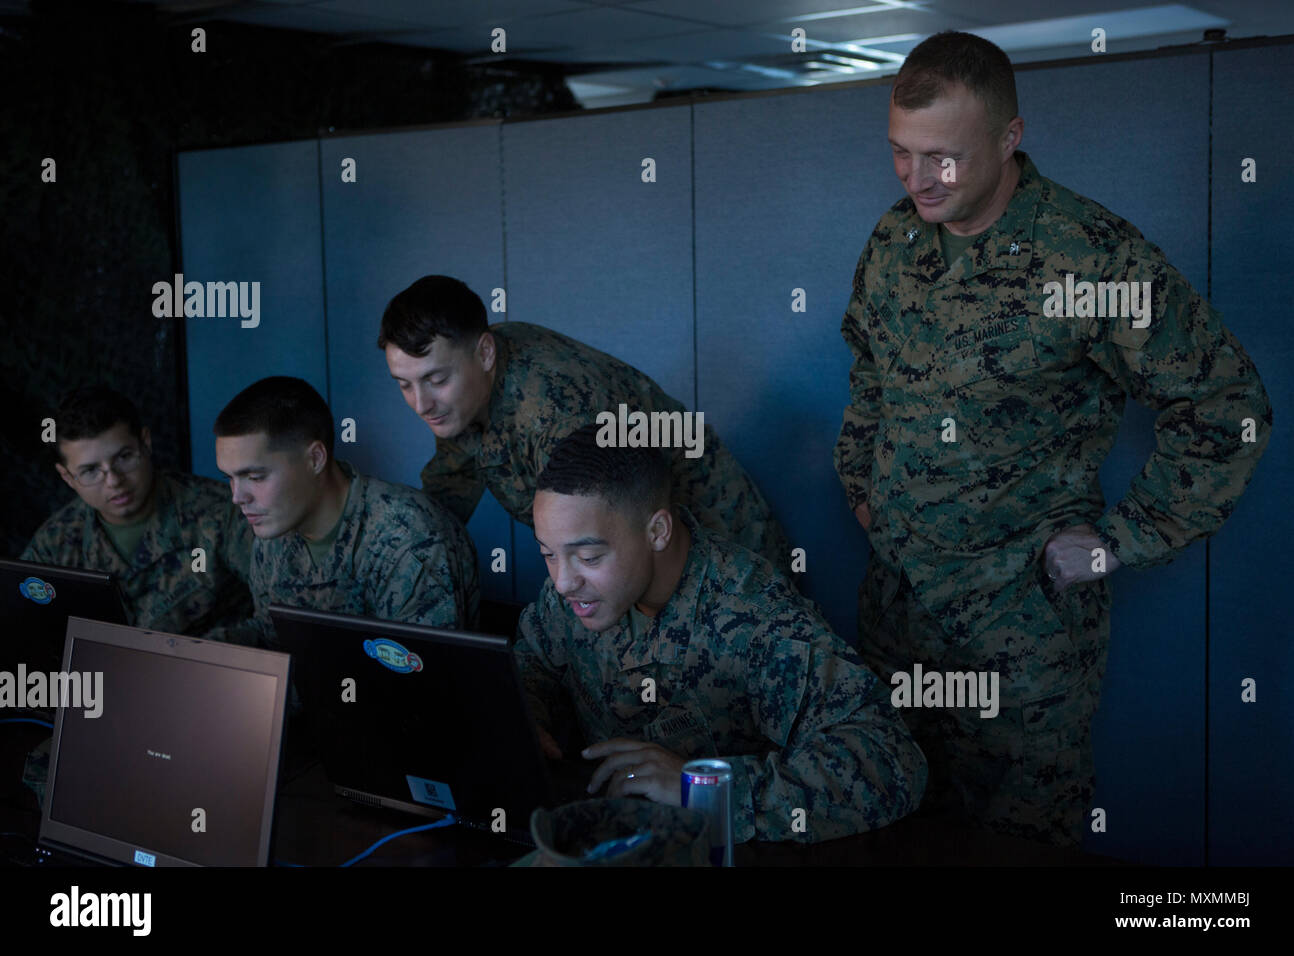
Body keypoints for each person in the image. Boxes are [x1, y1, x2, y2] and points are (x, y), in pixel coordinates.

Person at [833, 31, 1272, 846]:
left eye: (943, 157)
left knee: (1016, 845)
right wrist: (862, 489)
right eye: (900, 152)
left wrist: (1118, 542)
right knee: (893, 828)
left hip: (1020, 636)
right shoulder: (894, 243)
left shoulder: (1092, 259)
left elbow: (1227, 409)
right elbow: (868, 374)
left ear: (1010, 137)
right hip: (898, 616)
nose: (919, 178)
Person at [515, 424, 926, 844]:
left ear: (657, 531)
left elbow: (890, 761)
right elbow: (532, 663)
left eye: (588, 556)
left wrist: (706, 789)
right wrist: (523, 718)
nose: (564, 581)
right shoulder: (575, 594)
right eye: (548, 554)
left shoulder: (752, 614)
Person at [379, 275, 793, 574]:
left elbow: (607, 553)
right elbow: (447, 492)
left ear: (485, 354)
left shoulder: (557, 411)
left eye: (436, 380)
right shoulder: (464, 384)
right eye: (403, 385)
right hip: (630, 554)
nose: (421, 403)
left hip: (714, 542)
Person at [213, 376, 479, 642]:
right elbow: (272, 636)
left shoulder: (409, 538)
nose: (237, 497)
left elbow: (423, 672)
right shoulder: (271, 529)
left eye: (256, 477)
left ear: (315, 459)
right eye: (230, 478)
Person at [21, 385, 254, 641]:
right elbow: (24, 627)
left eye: (124, 457)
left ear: (146, 442)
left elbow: (275, 615)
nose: (113, 481)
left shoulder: (220, 513)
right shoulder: (55, 543)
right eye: (90, 471)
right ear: (67, 477)